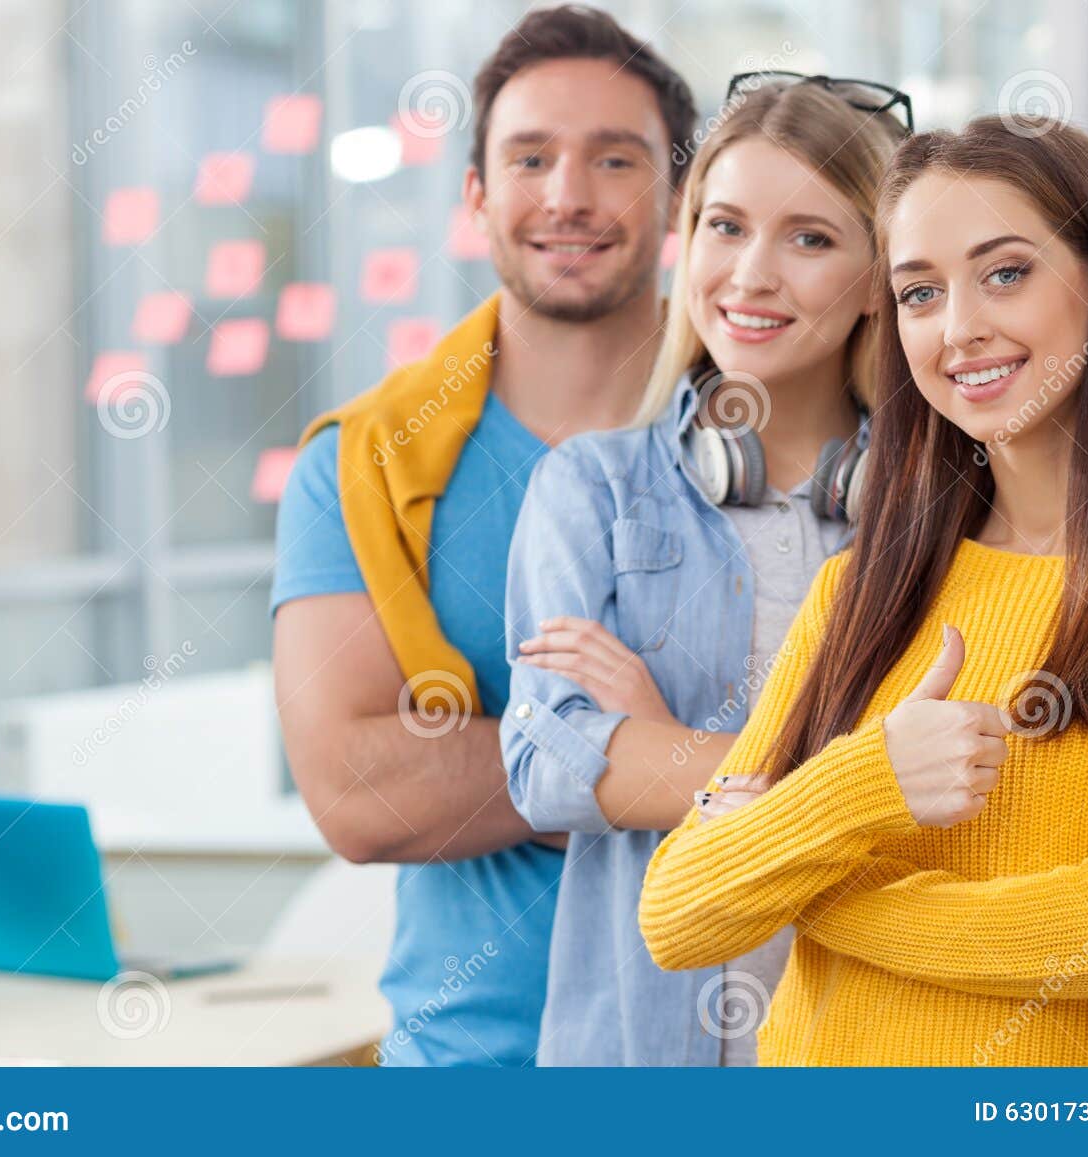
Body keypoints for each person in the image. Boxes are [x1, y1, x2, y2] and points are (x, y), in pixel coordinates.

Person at [638, 115, 1088, 1066]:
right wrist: (872, 779)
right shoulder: (859, 589)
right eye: (918, 292)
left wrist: (809, 887)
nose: (959, 329)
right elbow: (677, 911)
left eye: (1005, 272)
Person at [271, 5, 694, 1067]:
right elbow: (354, 791)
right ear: (477, 196)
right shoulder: (363, 463)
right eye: (530, 157)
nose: (568, 195)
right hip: (467, 1062)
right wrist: (651, 766)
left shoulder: (783, 437)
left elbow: (840, 762)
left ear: (680, 193)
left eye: (615, 158)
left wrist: (522, 764)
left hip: (739, 1045)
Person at [500, 75, 910, 1065]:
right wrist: (826, 783)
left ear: (874, 280)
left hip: (860, 1046)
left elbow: (958, 807)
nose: (752, 274)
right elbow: (549, 765)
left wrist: (664, 747)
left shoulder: (930, 517)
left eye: (810, 238)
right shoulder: (591, 488)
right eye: (725, 227)